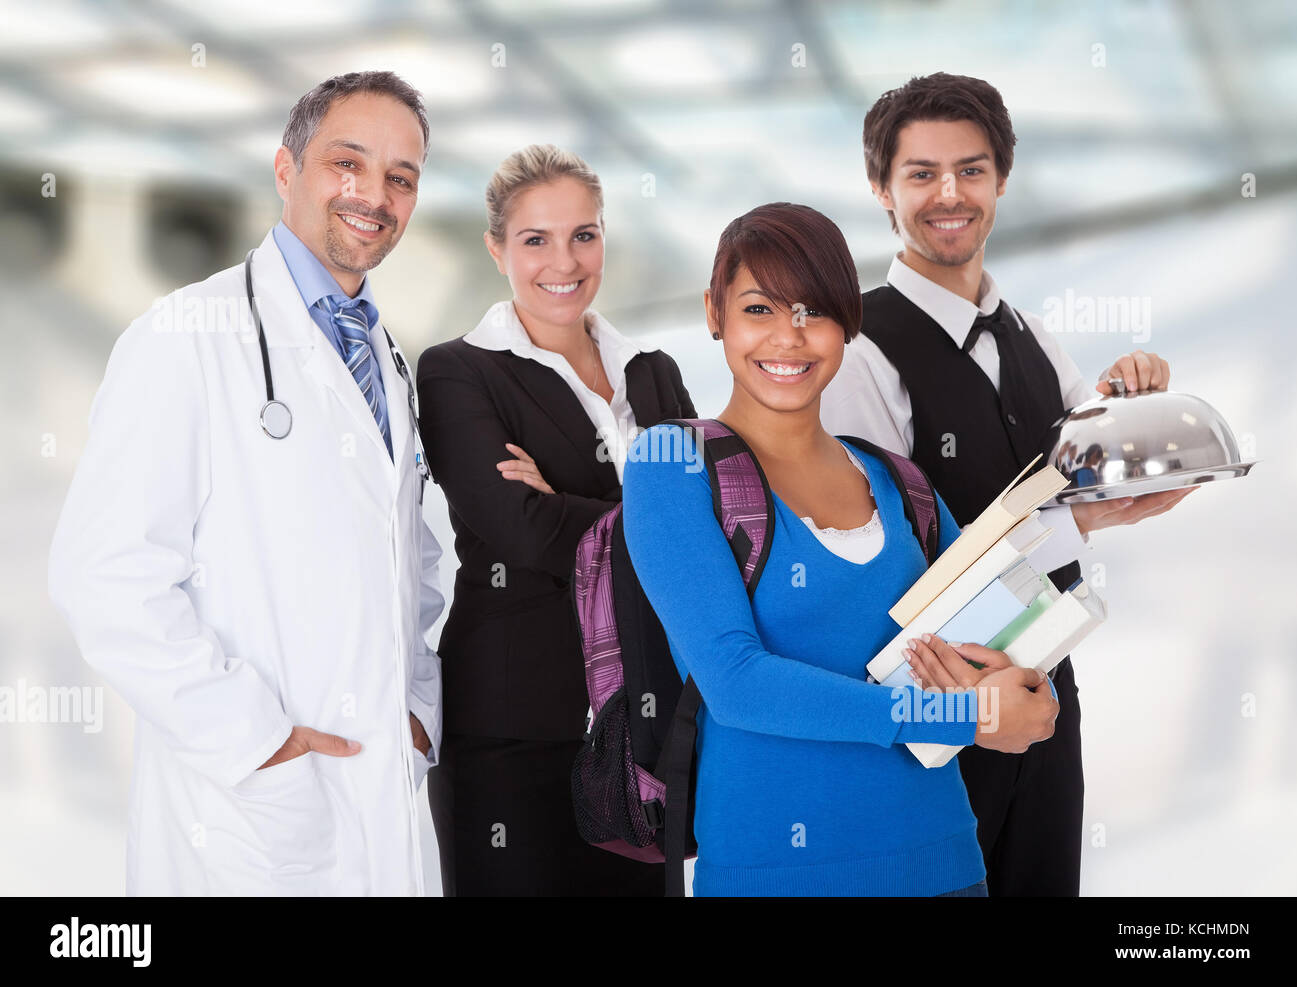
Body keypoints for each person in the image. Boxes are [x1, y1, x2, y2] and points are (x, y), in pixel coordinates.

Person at [47, 71, 444, 895]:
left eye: (400, 178)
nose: (374, 194)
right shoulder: (184, 337)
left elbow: (416, 563)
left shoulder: (386, 361)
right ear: (286, 170)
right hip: (249, 819)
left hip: (379, 801)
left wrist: (416, 712)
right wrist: (257, 743)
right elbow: (107, 577)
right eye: (348, 162)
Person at [820, 72, 1196, 896]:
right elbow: (892, 556)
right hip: (937, 710)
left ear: (999, 182)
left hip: (1046, 689)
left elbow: (1078, 478)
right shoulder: (858, 351)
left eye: (972, 169)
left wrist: (1130, 400)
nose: (948, 194)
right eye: (921, 172)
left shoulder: (1031, 335)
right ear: (881, 188)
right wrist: (1084, 527)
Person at [621, 201, 1060, 897]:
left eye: (813, 311)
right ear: (715, 313)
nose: (788, 339)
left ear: (848, 322)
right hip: (774, 876)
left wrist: (1028, 692)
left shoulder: (900, 480)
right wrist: (967, 715)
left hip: (945, 867)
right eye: (759, 309)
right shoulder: (672, 464)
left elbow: (999, 629)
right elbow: (736, 682)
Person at [416, 144, 696, 896]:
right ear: (496, 249)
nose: (563, 260)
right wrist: (650, 518)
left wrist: (566, 504)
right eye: (535, 239)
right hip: (514, 729)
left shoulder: (653, 371)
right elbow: (521, 531)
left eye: (584, 233)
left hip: (646, 726)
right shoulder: (458, 371)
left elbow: (703, 530)